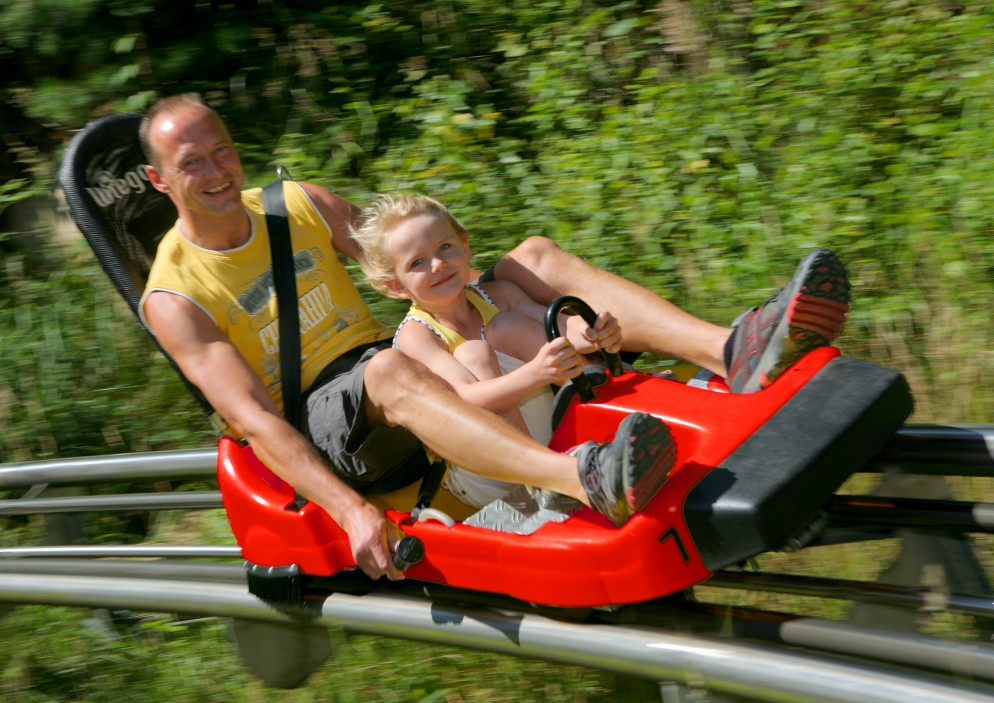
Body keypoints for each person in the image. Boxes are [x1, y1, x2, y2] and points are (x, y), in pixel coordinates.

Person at [137, 93, 677, 582]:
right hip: (329, 428)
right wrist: (350, 511)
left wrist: (494, 290)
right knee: (392, 368)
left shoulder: (295, 204)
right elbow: (255, 422)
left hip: (392, 366)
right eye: (191, 162)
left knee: (530, 257)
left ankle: (722, 349)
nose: (216, 170)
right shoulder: (175, 298)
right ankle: (582, 480)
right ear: (159, 180)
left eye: (222, 150)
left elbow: (406, 259)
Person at [352, 192, 624, 508]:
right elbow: (467, 401)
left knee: (506, 326)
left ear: (464, 246)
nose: (438, 264)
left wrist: (592, 332)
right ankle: (541, 482)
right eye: (417, 263)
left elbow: (562, 327)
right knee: (473, 353)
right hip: (485, 467)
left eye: (444, 247)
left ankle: (611, 406)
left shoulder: (499, 295)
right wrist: (537, 373)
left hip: (541, 433)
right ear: (396, 286)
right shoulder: (417, 337)